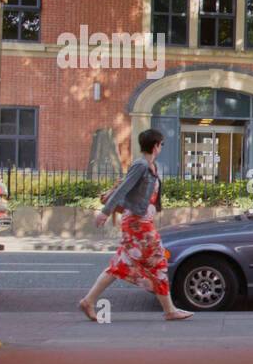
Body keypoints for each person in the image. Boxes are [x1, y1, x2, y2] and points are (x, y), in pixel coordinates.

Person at [78, 129, 192, 321]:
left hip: (140, 220)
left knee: (121, 264)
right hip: (137, 223)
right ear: (155, 146)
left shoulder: (151, 165)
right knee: (158, 261)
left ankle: (88, 301)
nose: (162, 147)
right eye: (161, 144)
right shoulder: (140, 165)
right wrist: (105, 212)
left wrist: (153, 208)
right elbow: (123, 188)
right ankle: (170, 310)